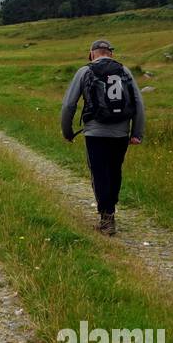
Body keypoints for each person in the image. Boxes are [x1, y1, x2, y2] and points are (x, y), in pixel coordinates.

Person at [59, 39, 144, 235]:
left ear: (91, 54)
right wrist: (136, 133)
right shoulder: (125, 71)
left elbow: (68, 105)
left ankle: (107, 216)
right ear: (110, 53)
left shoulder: (84, 71)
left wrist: (67, 131)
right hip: (121, 132)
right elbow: (139, 103)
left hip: (95, 132)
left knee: (99, 172)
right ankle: (110, 210)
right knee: (115, 170)